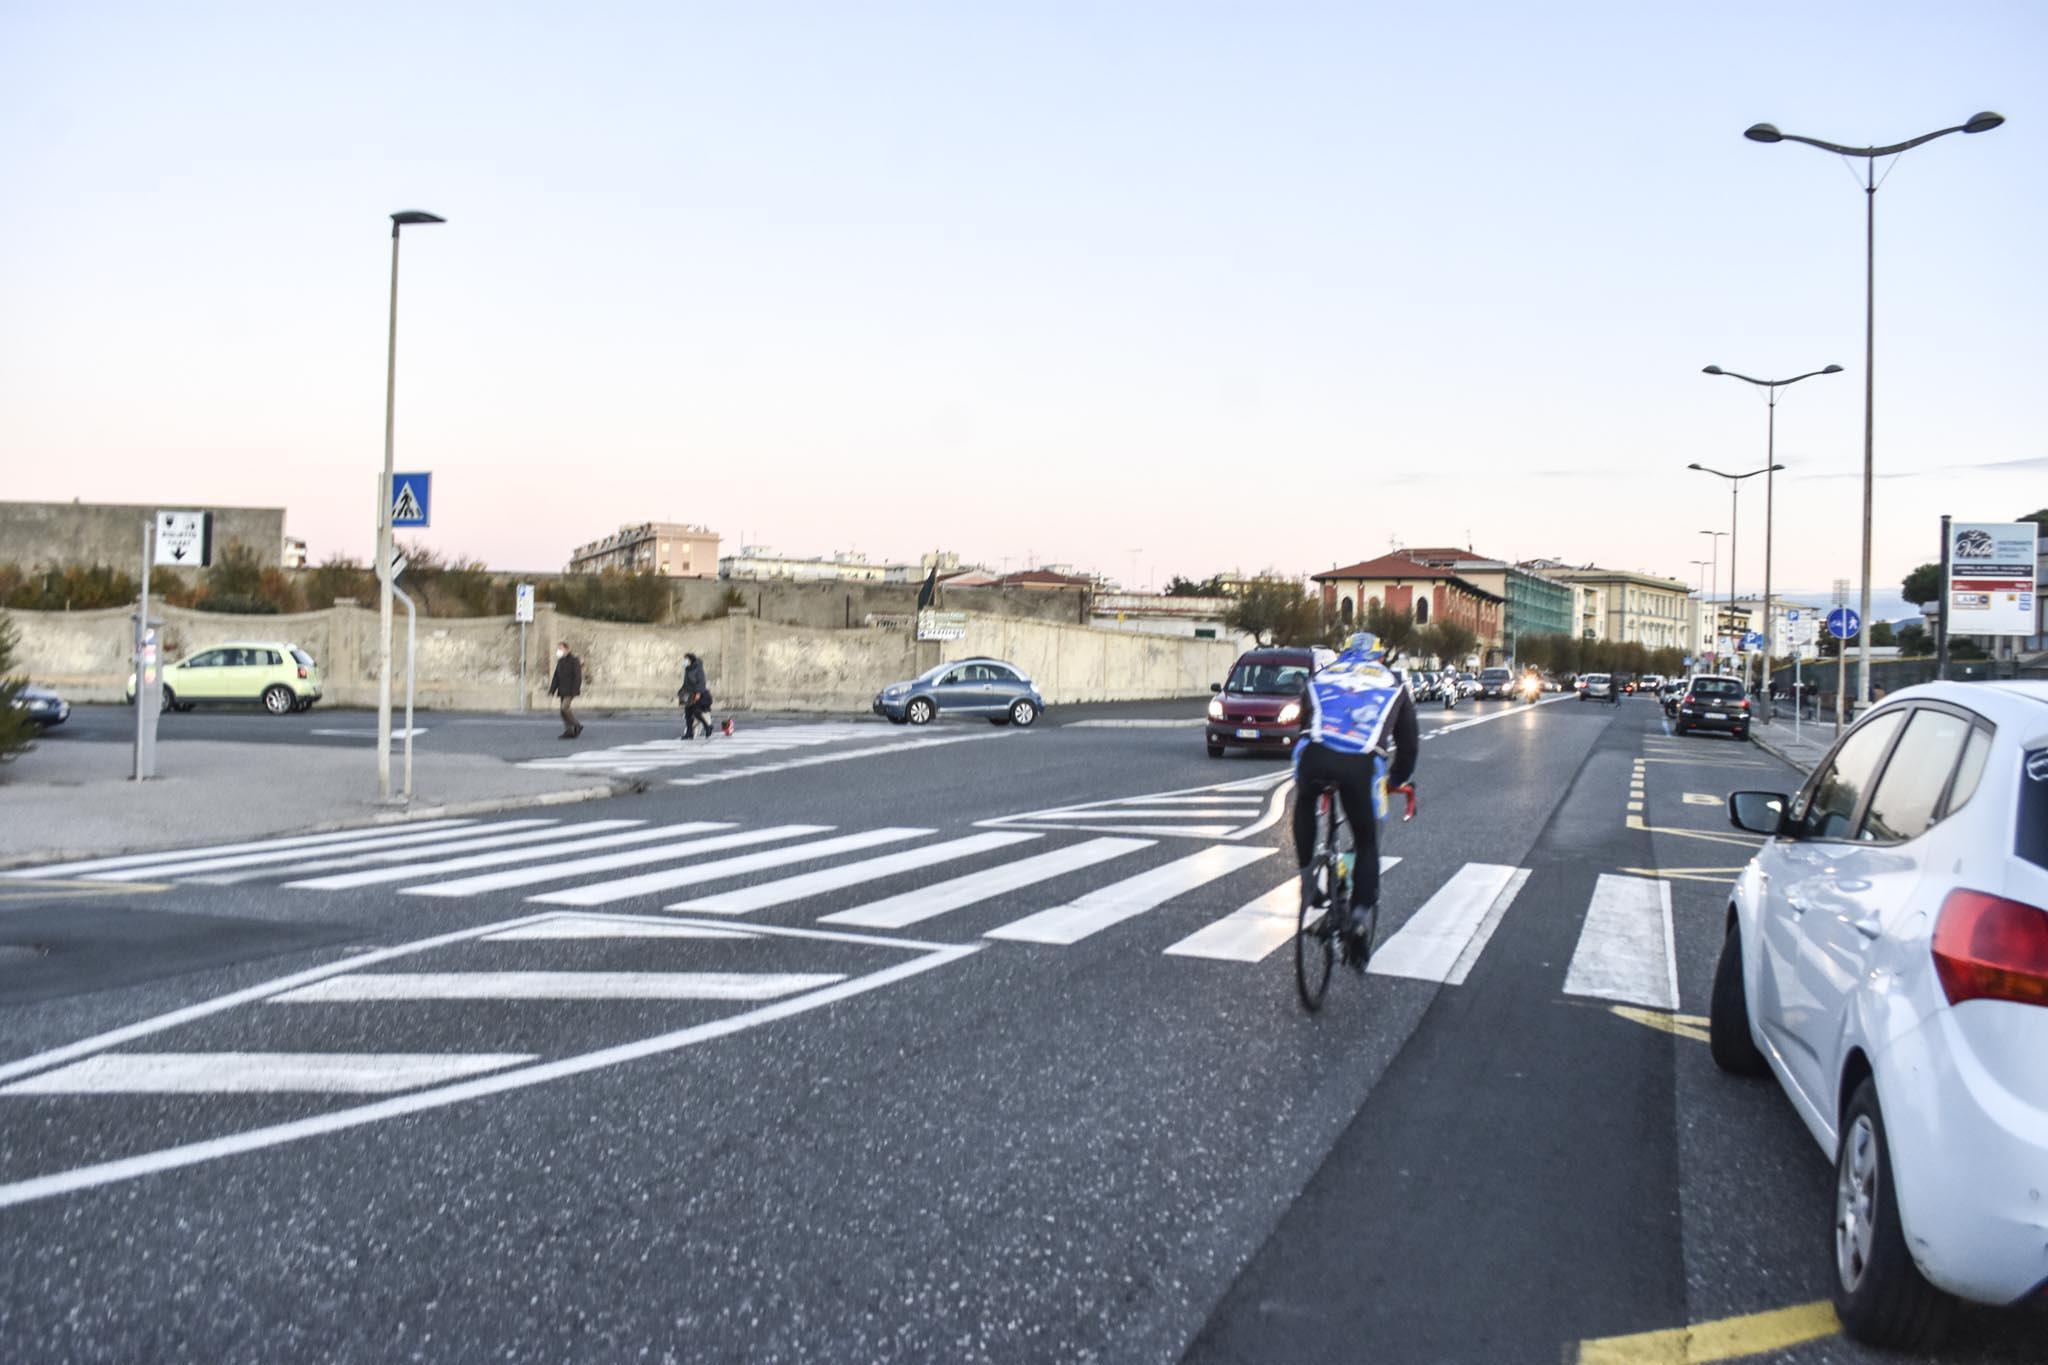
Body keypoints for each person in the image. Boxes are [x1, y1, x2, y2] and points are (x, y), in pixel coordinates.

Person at [1292, 632, 1419, 970]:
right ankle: (1359, 916)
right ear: (1378, 657)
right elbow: (1408, 746)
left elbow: (1303, 721)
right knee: (1366, 841)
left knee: (1304, 799)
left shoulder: (1324, 673)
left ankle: (1306, 878)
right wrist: (1395, 780)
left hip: (1315, 754)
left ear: (1346, 652)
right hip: (1360, 765)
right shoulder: (1393, 682)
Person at [549, 642, 583, 739]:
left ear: (567, 649)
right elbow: (556, 677)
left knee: (564, 708)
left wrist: (575, 690)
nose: (558, 651)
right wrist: (552, 689)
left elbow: (578, 676)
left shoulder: (574, 660)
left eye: (560, 648)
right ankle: (569, 731)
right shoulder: (560, 661)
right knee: (562, 711)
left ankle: (577, 725)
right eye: (558, 649)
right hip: (562, 689)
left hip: (571, 690)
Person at [679, 651, 714, 741]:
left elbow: (701, 682)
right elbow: (686, 682)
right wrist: (681, 691)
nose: (684, 661)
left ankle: (708, 727)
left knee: (696, 712)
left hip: (699, 694)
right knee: (687, 714)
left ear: (691, 660)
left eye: (686, 660)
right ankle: (689, 733)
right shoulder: (687, 669)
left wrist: (698, 693)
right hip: (689, 693)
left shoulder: (697, 668)